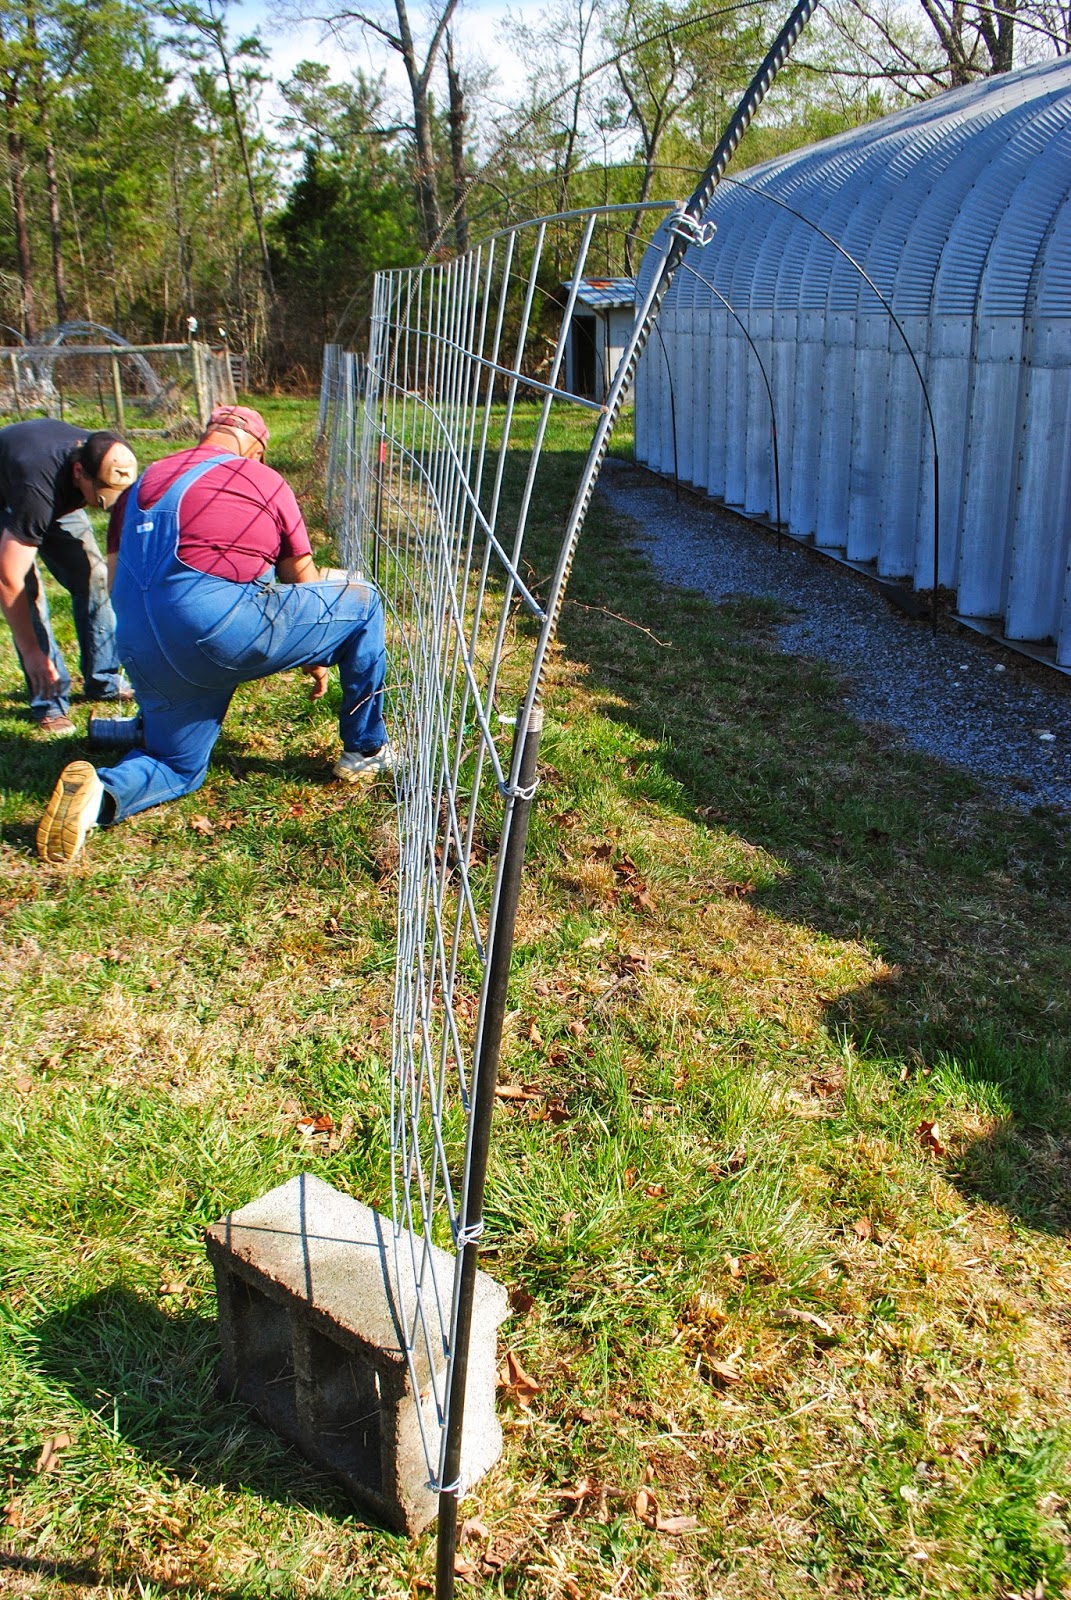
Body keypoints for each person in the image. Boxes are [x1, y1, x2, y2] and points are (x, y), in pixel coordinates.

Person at [36, 404, 390, 864]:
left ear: (207, 435)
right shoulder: (263, 479)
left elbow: (118, 577)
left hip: (141, 644)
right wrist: (315, 651)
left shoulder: (142, 483)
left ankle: (99, 794)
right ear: (256, 450)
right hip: (214, 628)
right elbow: (305, 582)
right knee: (362, 603)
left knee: (177, 765)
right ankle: (365, 749)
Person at [0, 421, 138, 733]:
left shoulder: (108, 456)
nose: (106, 503)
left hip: (55, 491)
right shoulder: (37, 489)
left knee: (94, 574)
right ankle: (48, 699)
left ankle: (102, 679)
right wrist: (32, 652)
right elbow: (8, 578)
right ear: (79, 472)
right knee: (29, 593)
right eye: (101, 495)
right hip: (11, 496)